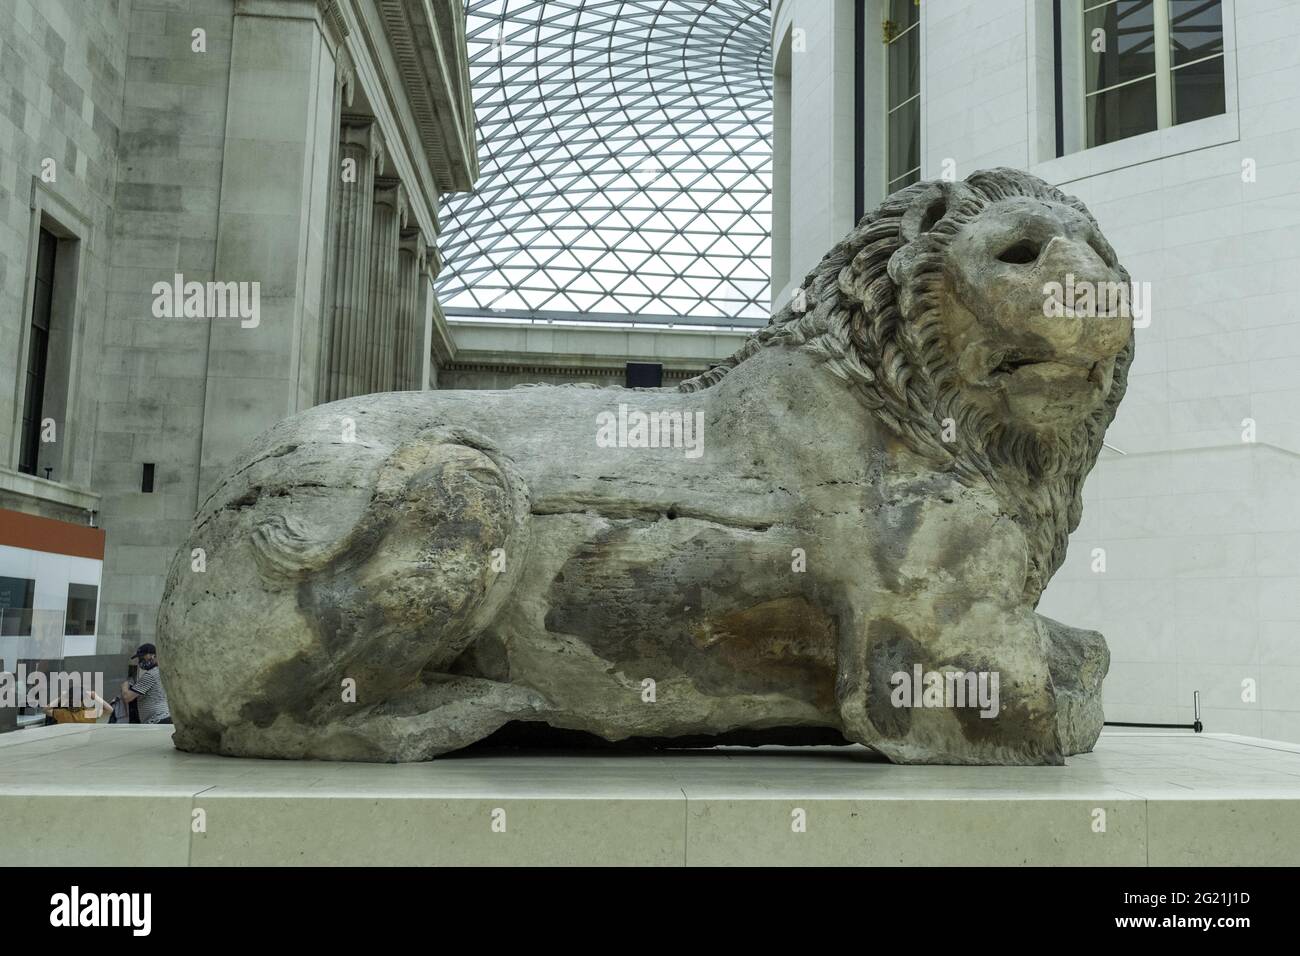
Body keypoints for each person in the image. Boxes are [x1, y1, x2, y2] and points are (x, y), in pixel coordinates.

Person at [120, 643, 171, 725]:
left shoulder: (151, 675)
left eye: (143, 656)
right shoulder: (161, 672)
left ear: (154, 656)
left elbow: (127, 697)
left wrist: (124, 685)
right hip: (162, 719)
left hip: (157, 720)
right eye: (139, 658)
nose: (140, 660)